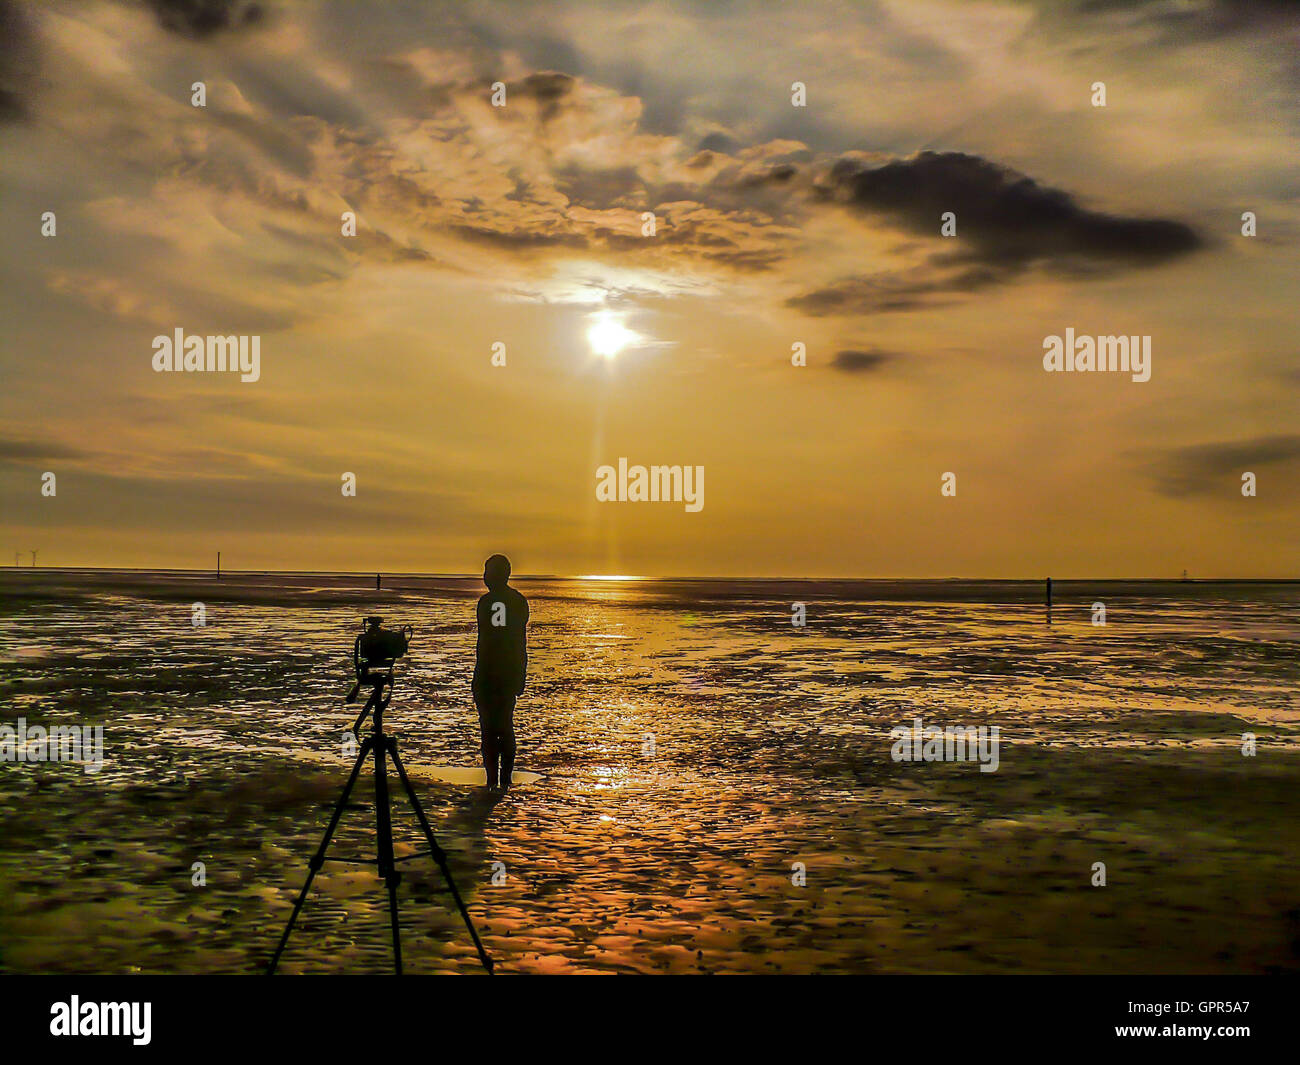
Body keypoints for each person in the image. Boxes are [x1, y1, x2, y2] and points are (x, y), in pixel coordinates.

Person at [472, 554, 528, 791]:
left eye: (488, 571)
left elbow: (497, 640)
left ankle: (497, 779)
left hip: (494, 675)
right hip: (502, 673)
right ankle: (499, 779)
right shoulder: (516, 601)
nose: (484, 577)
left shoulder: (494, 603)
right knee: (501, 727)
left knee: (495, 728)